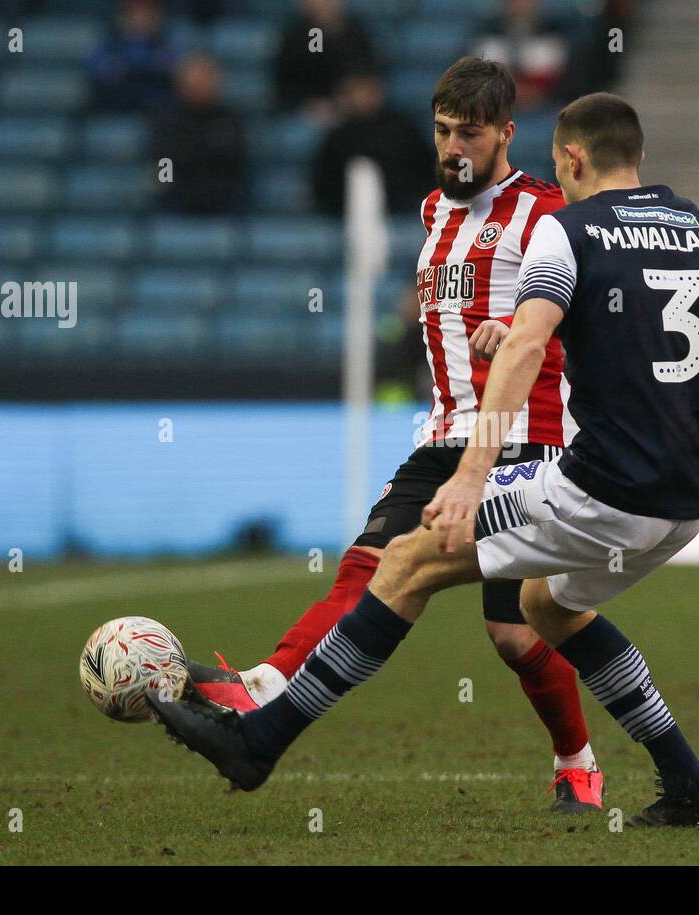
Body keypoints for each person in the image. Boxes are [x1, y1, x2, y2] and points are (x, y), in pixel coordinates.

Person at [155, 92, 699, 826]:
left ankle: (260, 744)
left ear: (569, 160)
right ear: (635, 154)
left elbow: (531, 341)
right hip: (687, 502)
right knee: (545, 607)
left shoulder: (566, 232)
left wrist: (472, 475)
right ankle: (691, 787)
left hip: (598, 489)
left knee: (406, 563)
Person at [182, 58, 605, 813]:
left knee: (513, 635)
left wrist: (516, 329)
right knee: (364, 570)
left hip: (524, 443)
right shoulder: (432, 213)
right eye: (443, 131)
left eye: (469, 135)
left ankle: (577, 759)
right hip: (443, 440)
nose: (453, 148)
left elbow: (590, 307)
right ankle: (261, 685)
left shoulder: (546, 212)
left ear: (506, 133)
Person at [309, 72, 435, 217]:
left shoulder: (403, 129)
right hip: (346, 216)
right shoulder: (339, 136)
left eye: (368, 89)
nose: (363, 96)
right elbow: (323, 183)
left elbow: (426, 169)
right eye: (357, 90)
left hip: (403, 210)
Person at [152, 56, 247, 215]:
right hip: (177, 201)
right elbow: (162, 159)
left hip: (222, 202)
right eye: (195, 79)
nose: (201, 84)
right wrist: (167, 190)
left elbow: (236, 159)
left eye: (206, 78)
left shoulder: (228, 119)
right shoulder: (167, 121)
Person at [273, 0, 380, 121]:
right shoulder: (297, 36)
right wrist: (311, 104)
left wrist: (358, 92)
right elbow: (288, 82)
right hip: (307, 110)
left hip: (352, 107)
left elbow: (368, 71)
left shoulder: (355, 31)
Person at [86, 0, 177, 113]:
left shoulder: (168, 45)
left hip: (156, 113)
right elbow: (95, 69)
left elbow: (176, 70)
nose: (140, 19)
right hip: (114, 109)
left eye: (147, 14)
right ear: (122, 17)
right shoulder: (108, 45)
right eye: (133, 13)